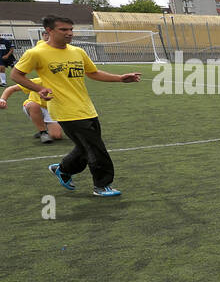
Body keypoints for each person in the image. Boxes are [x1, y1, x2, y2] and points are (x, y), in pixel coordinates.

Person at [11, 14, 140, 197]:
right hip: (65, 111)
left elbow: (93, 73)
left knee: (84, 146)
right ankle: (102, 186)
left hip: (86, 107)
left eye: (71, 29)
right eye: (63, 30)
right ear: (49, 31)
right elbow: (16, 75)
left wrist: (119, 78)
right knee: (96, 148)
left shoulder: (77, 51)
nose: (69, 33)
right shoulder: (36, 53)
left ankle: (62, 169)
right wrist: (38, 88)